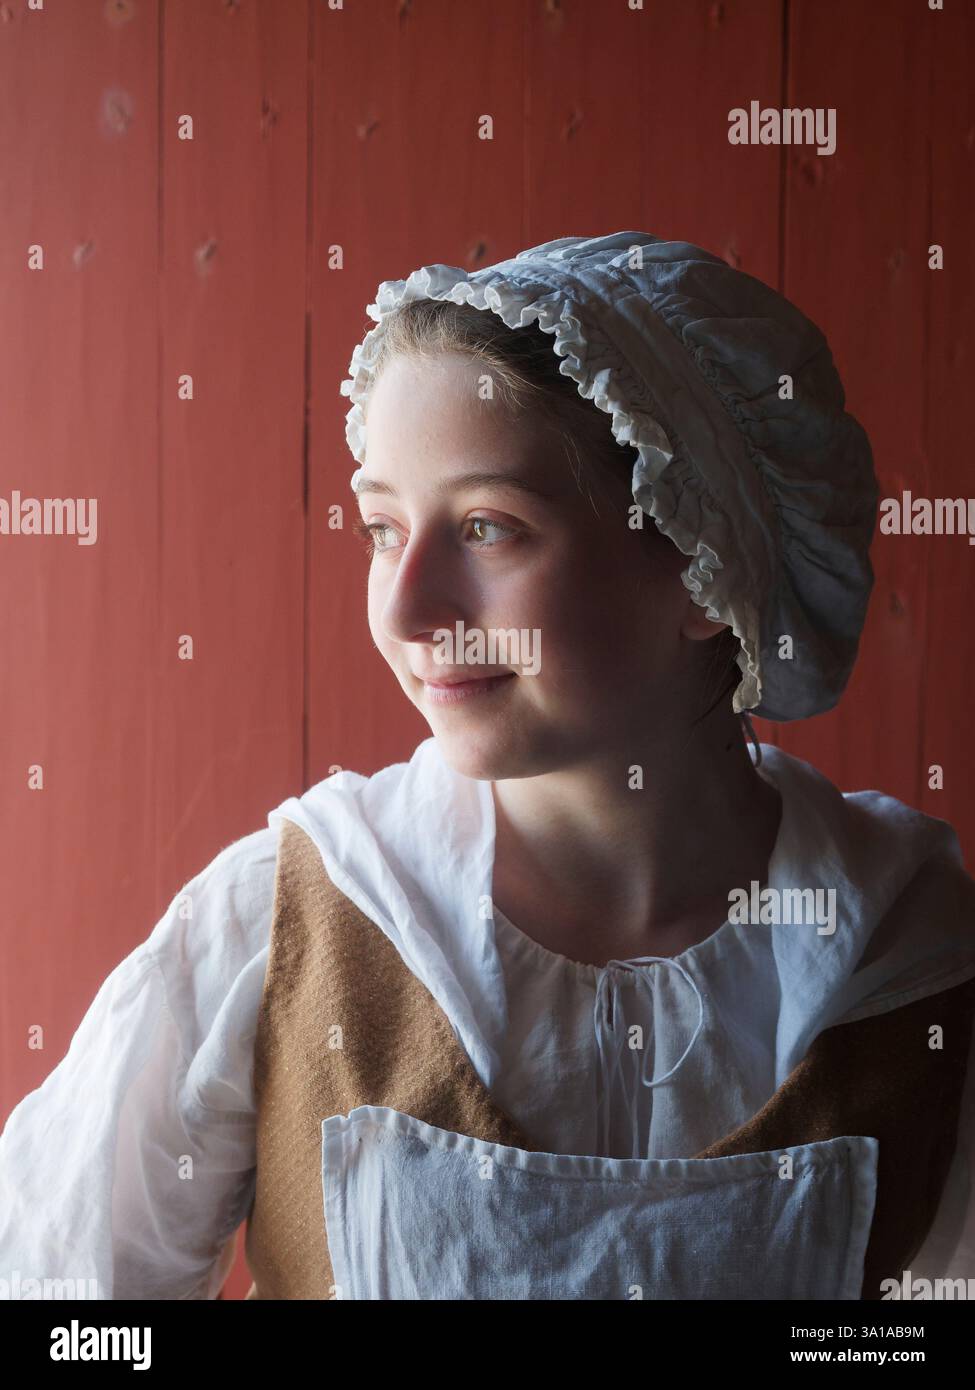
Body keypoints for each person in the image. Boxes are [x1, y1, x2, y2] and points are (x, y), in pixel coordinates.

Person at [1, 231, 973, 1301]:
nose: (407, 608)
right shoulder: (283, 922)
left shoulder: (900, 944)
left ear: (703, 567)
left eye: (485, 527)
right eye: (382, 528)